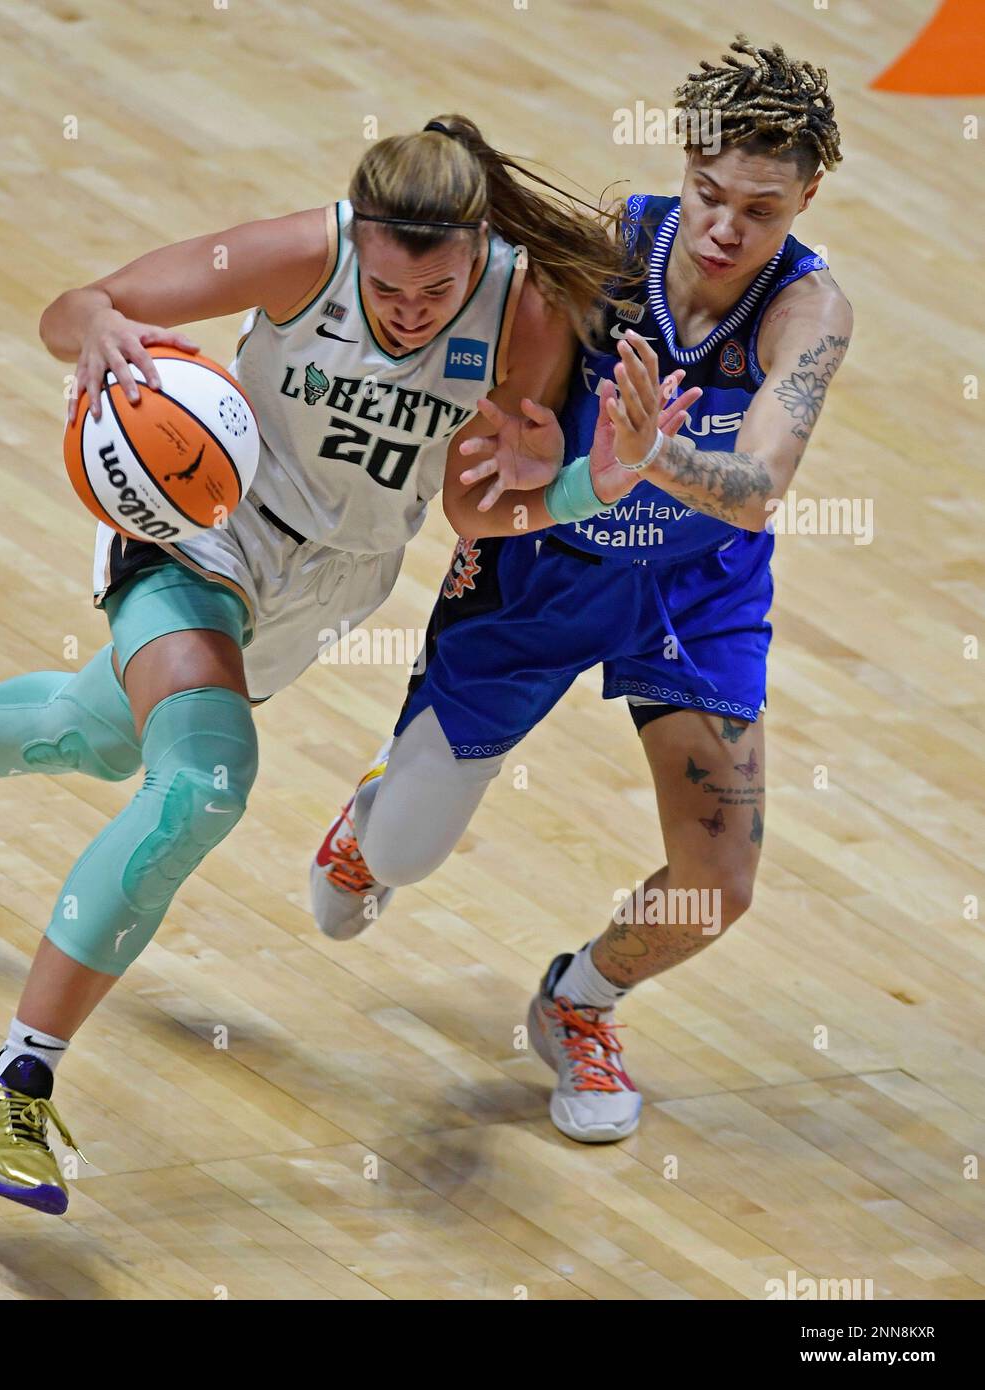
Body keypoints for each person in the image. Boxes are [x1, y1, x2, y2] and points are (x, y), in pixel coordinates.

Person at [0, 115, 642, 1212]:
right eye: (388, 288)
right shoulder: (306, 252)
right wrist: (100, 331)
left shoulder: (526, 306)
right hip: (199, 532)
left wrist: (585, 480)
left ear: (476, 251)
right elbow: (72, 310)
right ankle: (13, 1078)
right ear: (358, 243)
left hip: (323, 588)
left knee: (99, 732)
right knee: (203, 782)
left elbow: (469, 507)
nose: (407, 311)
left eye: (432, 291)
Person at [311, 37, 853, 1144]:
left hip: (697, 591)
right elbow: (503, 406)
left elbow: (754, 490)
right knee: (400, 858)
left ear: (807, 196)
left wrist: (651, 455)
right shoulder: (608, 255)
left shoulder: (811, 311)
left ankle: (580, 1000)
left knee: (720, 880)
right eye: (710, 193)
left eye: (762, 208)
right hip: (546, 574)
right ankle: (370, 822)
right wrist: (509, 447)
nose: (725, 228)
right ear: (683, 165)